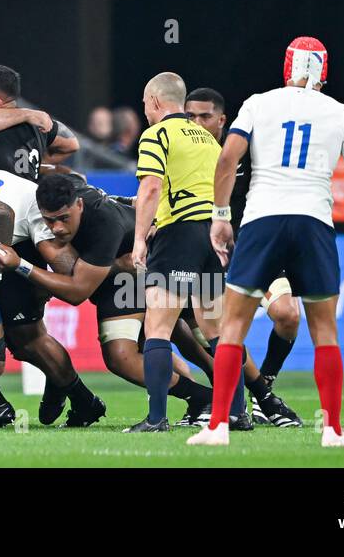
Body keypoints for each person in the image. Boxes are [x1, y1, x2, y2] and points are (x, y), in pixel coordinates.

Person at [189, 37, 344, 448]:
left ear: (286, 66)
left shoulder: (259, 103)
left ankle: (219, 427)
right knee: (325, 332)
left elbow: (228, 160)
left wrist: (221, 217)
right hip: (314, 222)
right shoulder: (342, 113)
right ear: (325, 72)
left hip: (263, 219)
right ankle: (332, 430)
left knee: (233, 327)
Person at [185, 87, 302, 427]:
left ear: (222, 120)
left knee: (287, 315)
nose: (196, 122)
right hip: (204, 254)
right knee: (208, 331)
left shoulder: (247, 153)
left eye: (204, 116)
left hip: (255, 248)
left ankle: (264, 387)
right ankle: (251, 401)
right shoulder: (181, 152)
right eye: (190, 116)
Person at [125, 71, 231, 434]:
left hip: (178, 237)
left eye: (144, 104)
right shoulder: (208, 138)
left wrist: (140, 238)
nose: (145, 111)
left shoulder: (156, 135)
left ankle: (156, 419)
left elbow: (151, 186)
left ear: (154, 101)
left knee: (158, 327)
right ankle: (237, 413)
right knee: (217, 330)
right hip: (211, 238)